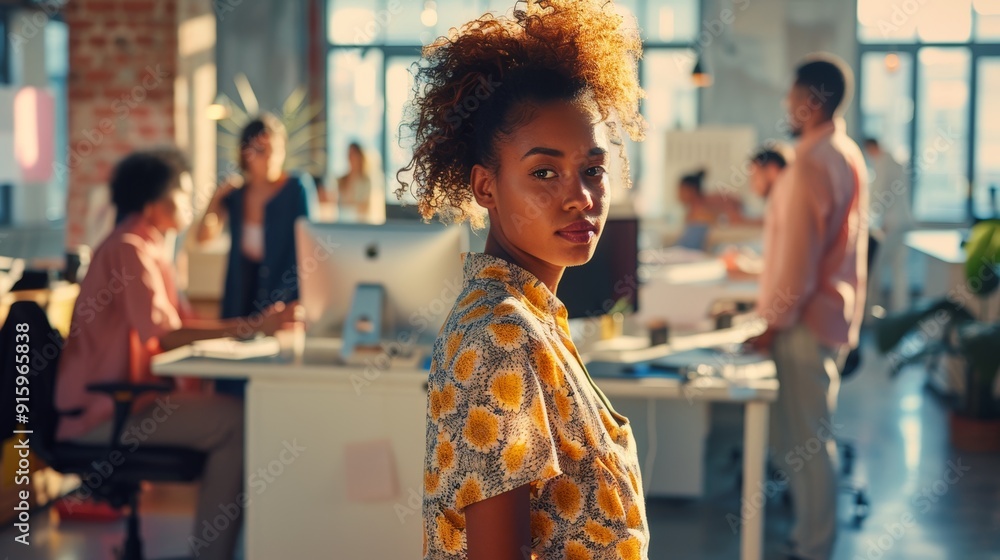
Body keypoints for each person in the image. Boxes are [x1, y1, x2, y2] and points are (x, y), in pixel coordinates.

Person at [397, 1, 649, 558]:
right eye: (544, 172)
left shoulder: (532, 316)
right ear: (485, 187)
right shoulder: (501, 334)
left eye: (593, 169)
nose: (580, 197)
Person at [55, 149, 296, 560]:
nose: (189, 203)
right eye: (182, 193)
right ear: (154, 203)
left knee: (236, 414)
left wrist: (253, 330)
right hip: (103, 413)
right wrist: (254, 326)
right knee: (237, 422)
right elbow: (167, 336)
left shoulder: (152, 249)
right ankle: (211, 553)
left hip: (128, 401)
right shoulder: (129, 248)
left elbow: (182, 328)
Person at [747, 55, 869, 560]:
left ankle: (814, 547)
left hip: (802, 325)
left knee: (806, 444)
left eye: (792, 95)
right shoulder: (845, 152)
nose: (786, 103)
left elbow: (797, 261)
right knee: (805, 440)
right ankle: (809, 537)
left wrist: (772, 326)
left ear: (810, 102)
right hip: (827, 316)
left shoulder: (810, 164)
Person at [196, 114, 316, 395]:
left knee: (279, 381)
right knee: (233, 379)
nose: (270, 157)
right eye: (261, 151)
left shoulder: (297, 188)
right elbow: (202, 237)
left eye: (275, 149)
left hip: (283, 299)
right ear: (245, 154)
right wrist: (215, 200)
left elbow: (312, 244)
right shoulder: (236, 196)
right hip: (241, 297)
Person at [863, 137, 912, 313]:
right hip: (901, 221)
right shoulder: (895, 162)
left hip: (890, 223)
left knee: (875, 266)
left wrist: (874, 217)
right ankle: (901, 309)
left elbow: (880, 194)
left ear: (871, 148)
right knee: (899, 269)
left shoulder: (883, 163)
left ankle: (872, 308)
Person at [335, 141, 386, 224]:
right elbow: (337, 204)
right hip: (343, 224)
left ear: (360, 157)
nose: (351, 158)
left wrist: (348, 208)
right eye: (349, 154)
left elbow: (365, 208)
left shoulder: (366, 181)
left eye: (354, 154)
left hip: (361, 225)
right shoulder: (341, 180)